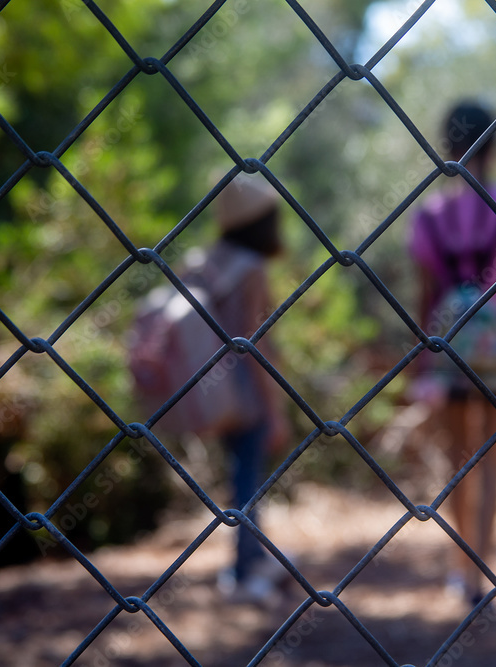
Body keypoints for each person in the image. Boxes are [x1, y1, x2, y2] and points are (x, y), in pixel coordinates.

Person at [407, 101, 496, 604]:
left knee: (457, 462)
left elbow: (426, 298)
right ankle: (483, 573)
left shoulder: (429, 217)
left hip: (447, 355)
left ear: (445, 147)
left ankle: (458, 570)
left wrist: (423, 361)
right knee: (492, 463)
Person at [192, 171, 292, 605]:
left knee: (241, 478)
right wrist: (275, 410)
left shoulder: (202, 259)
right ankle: (242, 570)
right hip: (246, 391)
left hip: (210, 391)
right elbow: (256, 343)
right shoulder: (252, 268)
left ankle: (253, 554)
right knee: (248, 480)